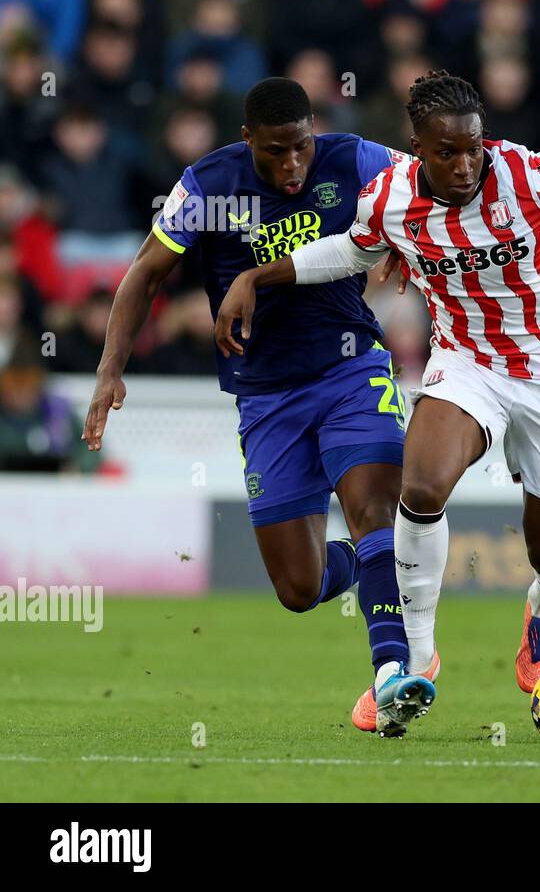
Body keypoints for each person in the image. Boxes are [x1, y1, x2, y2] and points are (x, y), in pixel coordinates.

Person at [214, 69, 540, 699]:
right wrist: (258, 277)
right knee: (418, 489)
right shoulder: (390, 198)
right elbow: (351, 250)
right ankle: (417, 658)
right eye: (447, 152)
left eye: (474, 147)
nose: (466, 164)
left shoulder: (524, 175)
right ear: (417, 147)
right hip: (467, 360)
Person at [82, 77, 434, 738]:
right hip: (266, 396)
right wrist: (109, 371)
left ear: (314, 132)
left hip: (351, 366)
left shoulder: (354, 159)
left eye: (301, 146)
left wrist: (410, 246)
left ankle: (393, 671)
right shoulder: (209, 185)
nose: (293, 164)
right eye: (276, 152)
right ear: (248, 141)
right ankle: (374, 561)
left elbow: (428, 189)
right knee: (300, 587)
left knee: (372, 506)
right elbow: (144, 272)